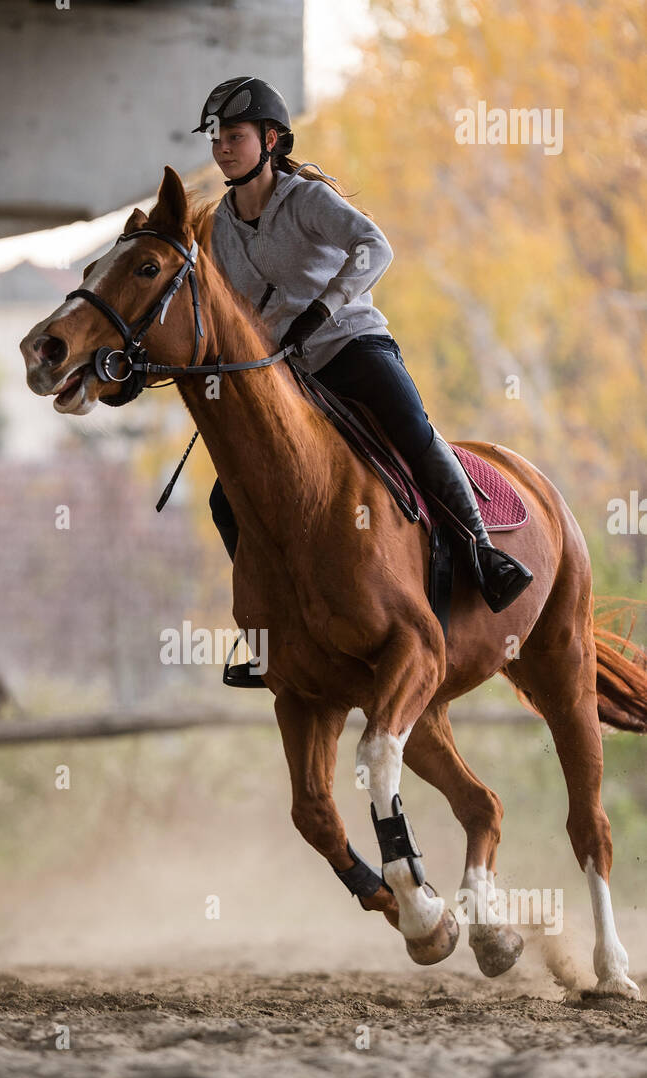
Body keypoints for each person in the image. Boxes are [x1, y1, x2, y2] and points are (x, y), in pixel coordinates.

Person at [193, 77, 533, 683]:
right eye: (217, 137)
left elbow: (375, 248)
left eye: (234, 136)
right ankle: (269, 630)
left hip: (350, 344)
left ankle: (485, 555)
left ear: (270, 140)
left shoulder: (304, 201)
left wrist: (321, 311)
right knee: (228, 496)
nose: (222, 147)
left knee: (416, 435)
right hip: (288, 373)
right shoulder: (219, 225)